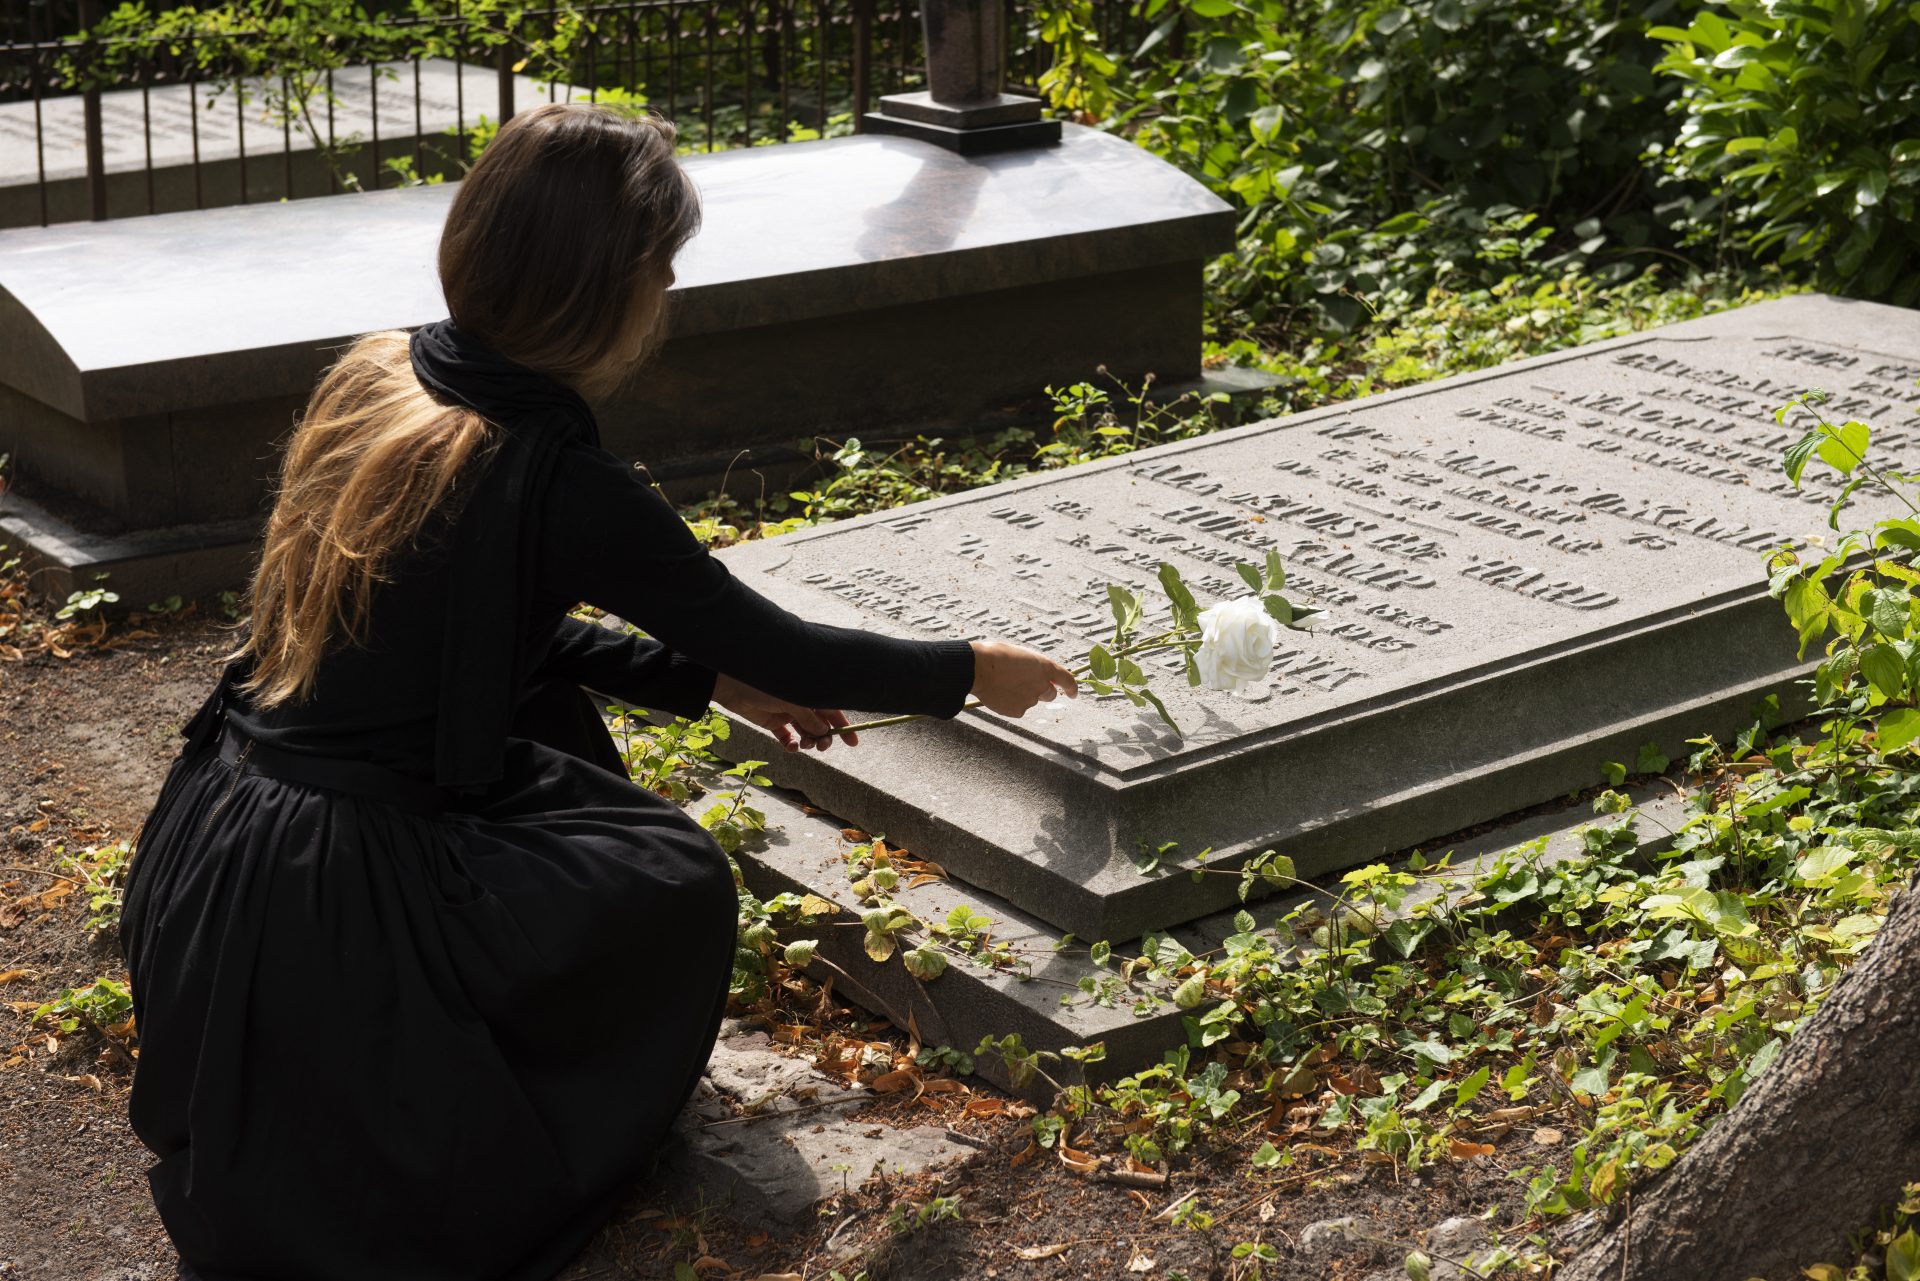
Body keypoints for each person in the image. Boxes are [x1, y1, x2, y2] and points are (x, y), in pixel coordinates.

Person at [118, 101, 1076, 1281]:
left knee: (557, 744)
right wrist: (968, 672)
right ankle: (487, 1097)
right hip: (350, 885)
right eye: (662, 269)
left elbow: (493, 633)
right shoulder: (558, 475)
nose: (667, 295)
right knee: (668, 881)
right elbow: (787, 644)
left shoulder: (385, 375)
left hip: (234, 834)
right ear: (615, 287)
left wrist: (710, 681)